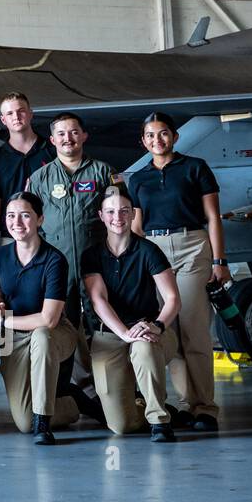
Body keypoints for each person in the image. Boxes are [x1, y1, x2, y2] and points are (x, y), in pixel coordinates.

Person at [127, 111, 229, 433]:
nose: (157, 140)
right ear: (143, 141)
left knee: (194, 330)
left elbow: (213, 217)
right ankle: (187, 404)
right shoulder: (138, 178)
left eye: (163, 133)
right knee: (169, 333)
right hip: (155, 253)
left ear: (175, 136)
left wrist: (219, 260)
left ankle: (206, 408)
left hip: (191, 247)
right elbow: (137, 226)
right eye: (151, 136)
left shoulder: (194, 167)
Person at [25, 111, 116, 420]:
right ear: (52, 140)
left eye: (74, 132)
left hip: (97, 265)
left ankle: (108, 395)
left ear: (84, 135)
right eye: (61, 134)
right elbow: (31, 224)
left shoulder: (103, 173)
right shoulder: (40, 178)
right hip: (58, 267)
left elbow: (120, 215)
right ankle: (67, 396)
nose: (68, 138)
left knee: (100, 328)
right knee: (61, 328)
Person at [82, 187, 181, 442]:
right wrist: (124, 334)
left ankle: (160, 421)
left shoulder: (149, 251)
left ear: (133, 214)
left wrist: (158, 326)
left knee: (144, 347)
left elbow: (172, 299)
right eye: (111, 211)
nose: (118, 217)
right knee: (121, 426)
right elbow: (98, 300)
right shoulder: (92, 255)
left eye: (125, 211)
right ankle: (141, 406)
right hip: (110, 336)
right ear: (101, 216)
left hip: (147, 329)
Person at [0, 192, 79, 445]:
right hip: (12, 336)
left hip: (55, 331)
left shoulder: (54, 260)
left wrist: (1, 321)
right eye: (11, 216)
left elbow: (48, 319)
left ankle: (44, 422)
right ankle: (71, 403)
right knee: (24, 423)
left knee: (41, 335)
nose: (17, 222)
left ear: (40, 219)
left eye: (25, 215)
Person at [0, 92, 54, 245]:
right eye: (10, 113)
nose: (16, 116)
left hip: (52, 235)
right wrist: (13, 230)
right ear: (3, 120)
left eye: (21, 111)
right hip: (12, 238)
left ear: (30, 114)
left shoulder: (53, 151)